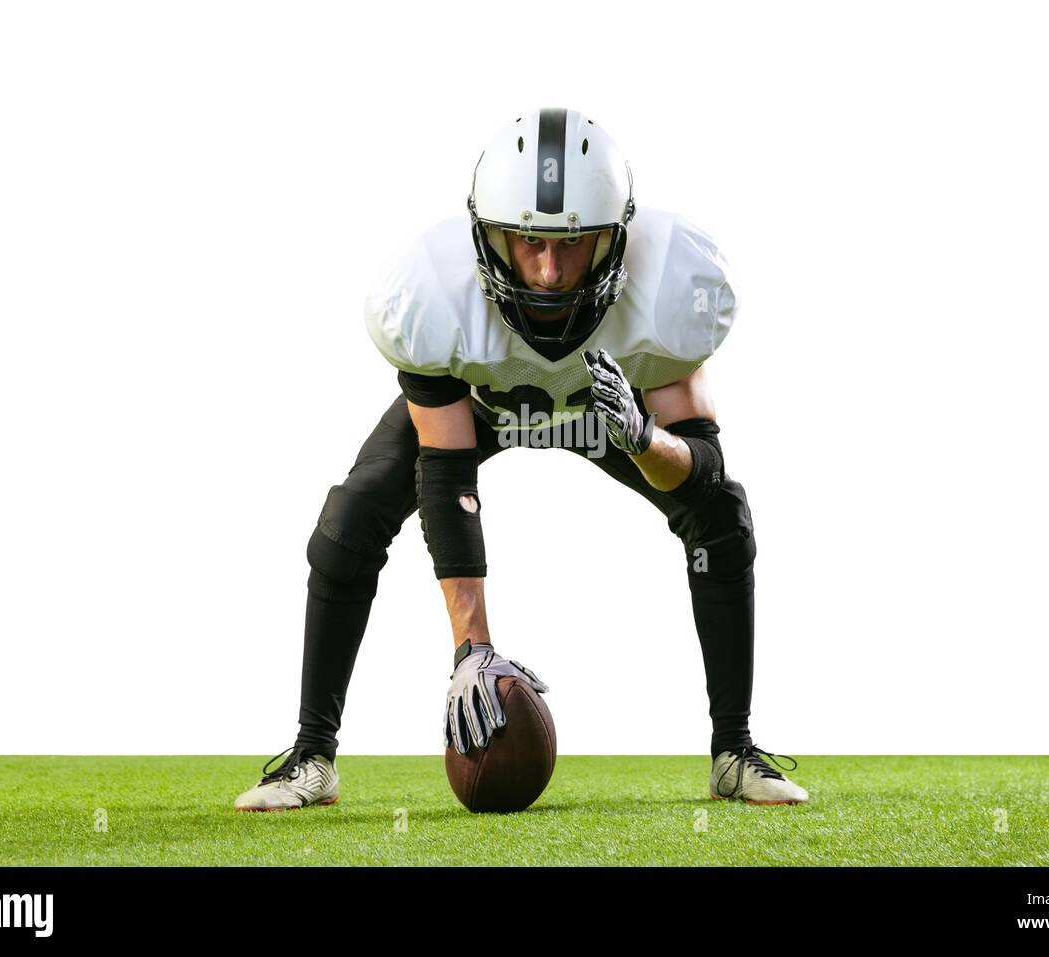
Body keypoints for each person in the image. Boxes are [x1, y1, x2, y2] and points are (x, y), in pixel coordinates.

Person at [234, 108, 809, 811]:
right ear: (486, 236)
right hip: (482, 403)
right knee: (350, 519)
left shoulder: (667, 285)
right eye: (527, 242)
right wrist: (471, 649)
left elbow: (703, 470)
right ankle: (312, 756)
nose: (548, 271)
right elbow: (445, 478)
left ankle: (733, 749)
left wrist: (642, 438)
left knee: (723, 516)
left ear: (619, 239)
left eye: (576, 245)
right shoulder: (431, 294)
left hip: (606, 411)